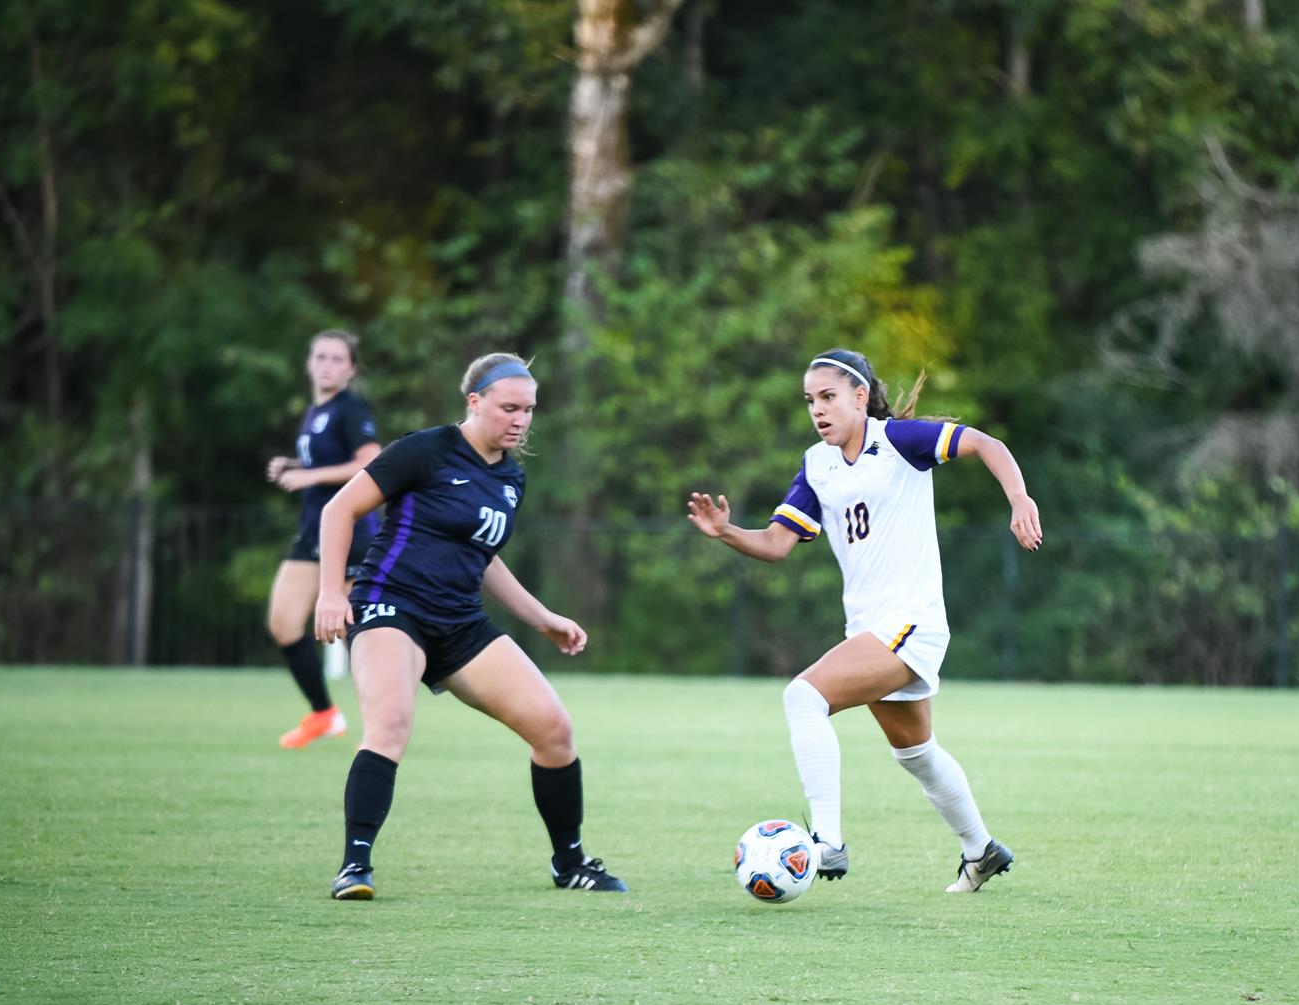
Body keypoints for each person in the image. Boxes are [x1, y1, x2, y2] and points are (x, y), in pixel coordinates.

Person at [686, 348, 1042, 893]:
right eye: (810, 401)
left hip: (910, 621)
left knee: (802, 697)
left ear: (859, 397)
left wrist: (1018, 498)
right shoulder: (817, 465)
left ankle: (826, 840)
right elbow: (779, 543)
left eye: (828, 397)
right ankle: (982, 851)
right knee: (916, 753)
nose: (818, 410)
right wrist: (728, 533)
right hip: (871, 628)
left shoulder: (898, 441)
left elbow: (985, 443)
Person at [311, 352, 627, 901]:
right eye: (509, 407)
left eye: (529, 410)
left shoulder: (510, 478)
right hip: (392, 605)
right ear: (474, 401)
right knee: (389, 724)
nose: (520, 420)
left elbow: (484, 559)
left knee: (554, 731)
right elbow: (339, 510)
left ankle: (570, 862)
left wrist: (543, 618)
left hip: (458, 622)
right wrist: (330, 591)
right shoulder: (426, 449)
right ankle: (354, 866)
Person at [264, 330, 382, 748]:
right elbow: (330, 459)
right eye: (320, 357)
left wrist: (308, 475)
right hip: (312, 529)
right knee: (282, 623)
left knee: (358, 634)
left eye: (337, 358)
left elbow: (370, 460)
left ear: (351, 368)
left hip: (351, 531)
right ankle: (324, 715)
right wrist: (293, 464)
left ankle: (379, 731)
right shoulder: (317, 411)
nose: (327, 364)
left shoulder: (351, 409)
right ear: (309, 363)